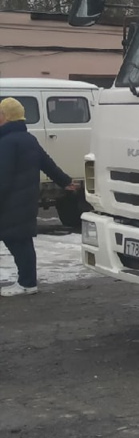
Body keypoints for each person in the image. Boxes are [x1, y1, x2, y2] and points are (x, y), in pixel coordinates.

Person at [0, 97, 79, 297]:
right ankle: (27, 281)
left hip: (11, 201)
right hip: (24, 199)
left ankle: (27, 283)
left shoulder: (8, 141)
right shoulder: (27, 139)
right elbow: (47, 163)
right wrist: (65, 181)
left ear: (6, 116)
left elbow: (3, 175)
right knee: (21, 240)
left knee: (17, 241)